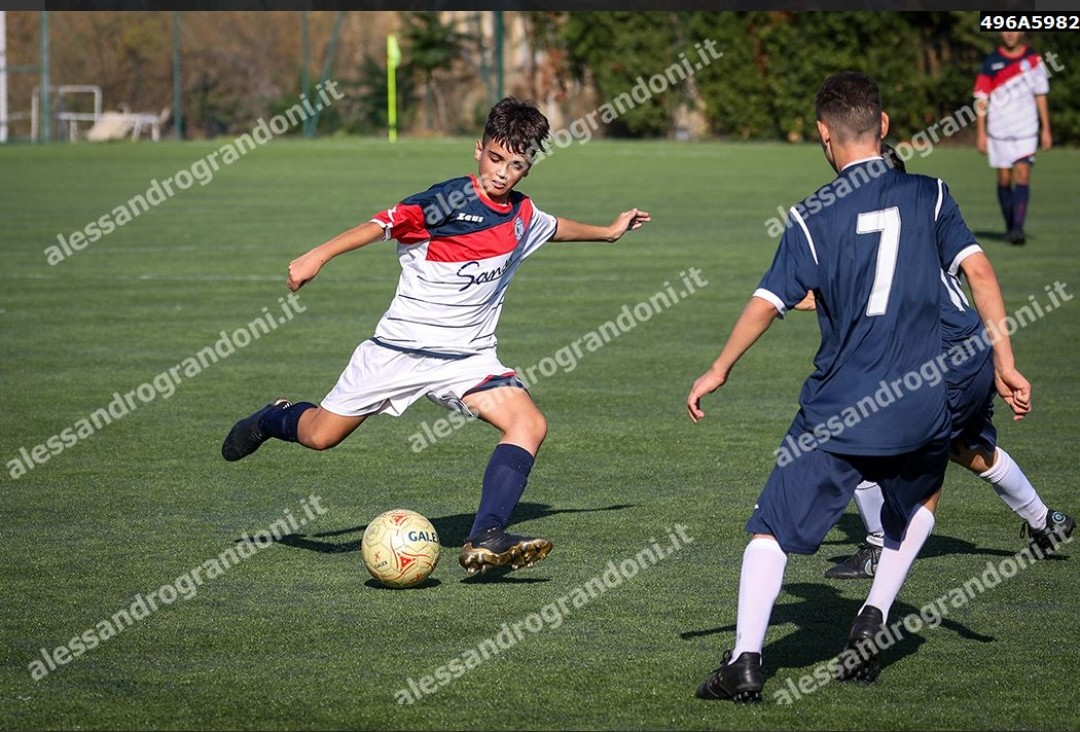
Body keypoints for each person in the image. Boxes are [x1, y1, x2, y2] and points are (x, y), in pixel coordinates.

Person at [687, 72, 1030, 702]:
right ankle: (874, 611)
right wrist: (1004, 360)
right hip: (925, 404)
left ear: (823, 135)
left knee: (771, 529)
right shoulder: (931, 194)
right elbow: (979, 270)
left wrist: (720, 367)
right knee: (919, 500)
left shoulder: (811, 216)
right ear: (887, 126)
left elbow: (769, 301)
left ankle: (745, 662)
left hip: (841, 406)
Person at [221, 97, 650, 575]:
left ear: (528, 168)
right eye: (495, 158)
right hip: (397, 351)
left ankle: (486, 536)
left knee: (529, 424)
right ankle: (273, 417)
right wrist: (316, 256)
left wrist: (609, 232)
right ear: (478, 149)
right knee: (321, 436)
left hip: (467, 359)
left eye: (516, 164)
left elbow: (554, 228)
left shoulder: (521, 216)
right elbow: (381, 225)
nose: (502, 173)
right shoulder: (446, 201)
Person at [824, 145, 1072, 580]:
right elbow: (974, 271)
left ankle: (881, 548)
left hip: (940, 357)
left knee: (855, 433)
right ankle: (1046, 522)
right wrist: (1002, 359)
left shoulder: (868, 225)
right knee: (966, 447)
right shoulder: (923, 213)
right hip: (972, 349)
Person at [974, 31, 1052, 245]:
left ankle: (1017, 229)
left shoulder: (1034, 60)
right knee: (1004, 179)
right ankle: (1010, 225)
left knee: (1023, 173)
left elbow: (1041, 95)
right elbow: (981, 100)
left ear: (1023, 31)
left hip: (1026, 130)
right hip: (998, 131)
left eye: (1014, 27)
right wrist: (981, 132)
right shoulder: (990, 63)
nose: (1009, 33)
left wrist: (1046, 128)